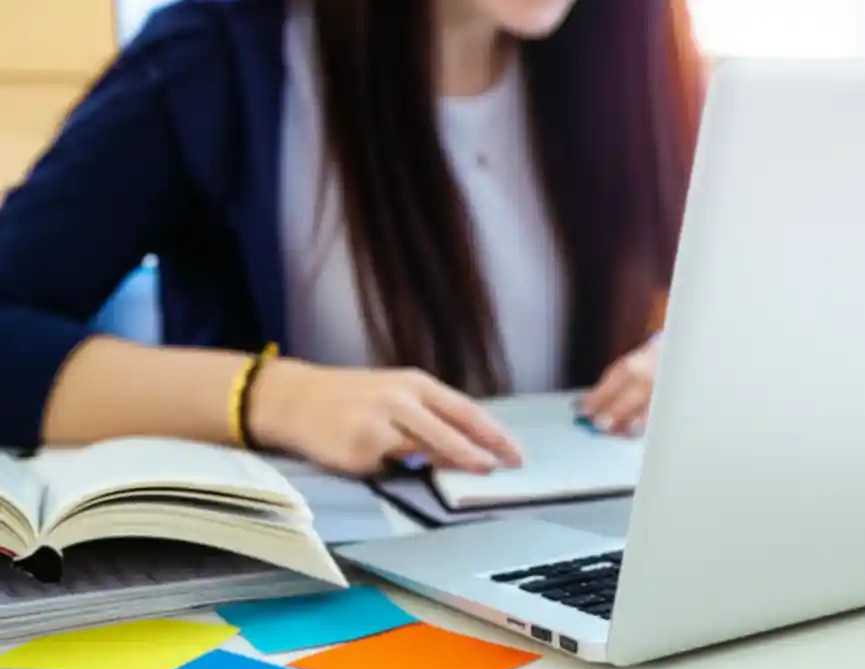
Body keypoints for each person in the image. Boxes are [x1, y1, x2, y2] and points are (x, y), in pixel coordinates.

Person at [0, 0, 702, 475]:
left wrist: (701, 356)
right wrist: (276, 399)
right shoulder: (214, 56)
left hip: (562, 552)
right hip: (311, 595)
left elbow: (752, 293)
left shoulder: (626, 47)